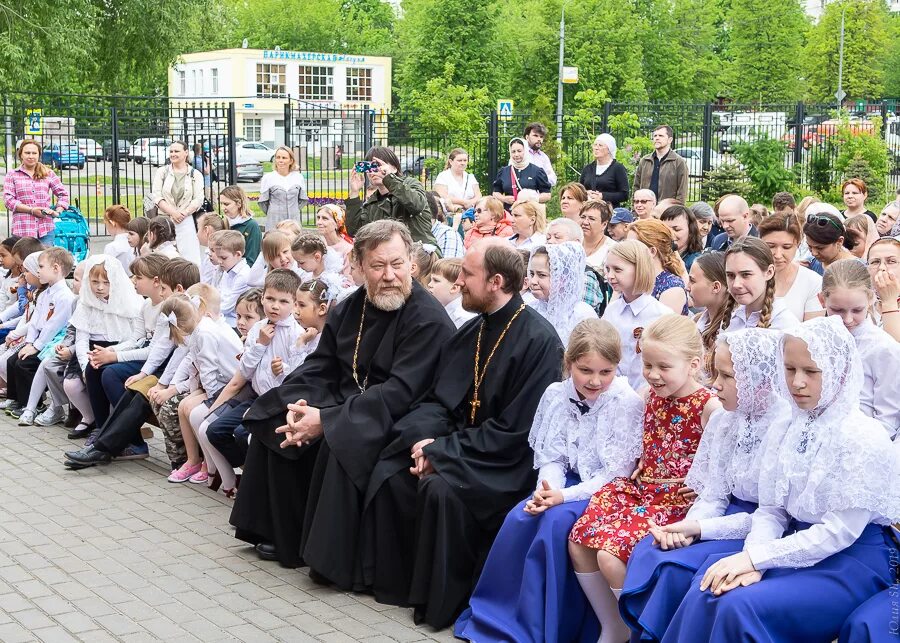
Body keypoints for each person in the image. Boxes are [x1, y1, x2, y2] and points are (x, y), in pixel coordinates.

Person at [356, 240, 563, 629]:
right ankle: (392, 583)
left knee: (440, 491)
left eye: (467, 275)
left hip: (504, 462)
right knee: (390, 466)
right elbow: (440, 399)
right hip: (464, 445)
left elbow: (516, 431)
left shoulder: (540, 341)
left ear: (496, 281)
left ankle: (442, 603)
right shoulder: (475, 329)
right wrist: (422, 441)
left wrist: (443, 453)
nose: (460, 282)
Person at [230, 220, 454, 570]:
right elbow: (322, 364)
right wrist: (298, 403)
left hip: (396, 415)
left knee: (338, 439)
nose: (390, 275)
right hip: (345, 398)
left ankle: (322, 553)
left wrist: (327, 420)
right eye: (378, 266)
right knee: (274, 415)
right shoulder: (353, 305)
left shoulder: (428, 319)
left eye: (397, 264)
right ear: (361, 266)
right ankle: (279, 531)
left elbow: (401, 391)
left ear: (411, 262)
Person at [664, 317, 899, 643]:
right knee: (709, 586)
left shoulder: (862, 436)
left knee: (739, 605)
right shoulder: (786, 425)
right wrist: (752, 560)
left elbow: (839, 532)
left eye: (811, 372)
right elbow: (771, 511)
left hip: (853, 559)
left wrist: (755, 558)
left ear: (839, 372)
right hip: (792, 543)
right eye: (789, 369)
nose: (797, 382)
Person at [455, 319, 644, 643]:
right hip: (564, 484)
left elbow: (615, 473)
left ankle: (552, 628)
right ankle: (505, 617)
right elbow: (552, 457)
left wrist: (563, 496)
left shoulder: (625, 403)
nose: (595, 381)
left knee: (555, 524)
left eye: (605, 372)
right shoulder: (556, 394)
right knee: (521, 517)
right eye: (585, 370)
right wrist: (547, 489)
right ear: (569, 363)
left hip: (604, 490)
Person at [620, 328, 789, 642]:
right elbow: (712, 492)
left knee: (679, 572)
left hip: (760, 529)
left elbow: (772, 515)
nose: (716, 384)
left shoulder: (783, 425)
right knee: (651, 551)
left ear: (758, 378)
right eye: (716, 374)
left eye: (727, 376)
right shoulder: (725, 419)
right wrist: (686, 527)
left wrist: (700, 530)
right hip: (723, 516)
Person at [568, 315, 719, 643]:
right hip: (642, 491)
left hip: (676, 503)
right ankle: (613, 624)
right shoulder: (647, 395)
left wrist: (696, 490)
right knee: (579, 540)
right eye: (647, 364)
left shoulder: (708, 407)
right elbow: (642, 441)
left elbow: (715, 468)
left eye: (663, 366)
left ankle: (640, 632)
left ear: (694, 364)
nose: (652, 375)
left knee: (609, 555)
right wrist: (640, 460)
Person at [64, 259, 200, 470]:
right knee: (128, 387)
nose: (161, 292)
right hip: (164, 370)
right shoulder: (160, 307)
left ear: (178, 289)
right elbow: (156, 347)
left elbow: (176, 355)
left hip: (178, 377)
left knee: (135, 393)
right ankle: (102, 442)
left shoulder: (181, 313)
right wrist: (115, 353)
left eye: (163, 287)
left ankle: (111, 447)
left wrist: (162, 383)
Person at [196, 271, 305, 494]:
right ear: (263, 297)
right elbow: (245, 369)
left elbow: (297, 377)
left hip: (278, 402)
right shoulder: (258, 329)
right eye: (271, 299)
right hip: (257, 397)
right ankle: (248, 471)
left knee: (243, 433)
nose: (275, 306)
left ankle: (256, 482)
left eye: (283, 301)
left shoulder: (297, 333)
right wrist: (260, 344)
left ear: (294, 304)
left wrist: (281, 369)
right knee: (215, 431)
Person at [54, 256, 143, 433]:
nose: (100, 287)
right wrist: (85, 364)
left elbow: (136, 339)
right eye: (95, 282)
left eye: (106, 282)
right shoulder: (86, 303)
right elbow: (81, 339)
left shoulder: (130, 302)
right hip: (92, 352)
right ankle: (97, 423)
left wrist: (111, 353)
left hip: (119, 349)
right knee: (90, 372)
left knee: (105, 375)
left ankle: (112, 427)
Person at [82, 254, 169, 432]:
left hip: (161, 363)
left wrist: (114, 357)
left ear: (156, 281)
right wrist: (108, 351)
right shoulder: (146, 305)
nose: (133, 280)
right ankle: (102, 429)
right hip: (146, 355)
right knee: (94, 367)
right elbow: (135, 339)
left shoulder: (167, 308)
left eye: (138, 277)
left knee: (111, 373)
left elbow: (154, 351)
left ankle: (131, 436)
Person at [820, 259, 900, 438]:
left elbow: (888, 419)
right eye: (837, 310)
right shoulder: (816, 339)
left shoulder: (883, 349)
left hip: (862, 443)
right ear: (821, 299)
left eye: (857, 310)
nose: (848, 319)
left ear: (871, 298)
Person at [600, 240, 673, 389]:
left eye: (618, 270)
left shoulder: (661, 315)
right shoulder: (611, 311)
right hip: (612, 390)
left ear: (639, 269)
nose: (610, 276)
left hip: (646, 390)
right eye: (608, 269)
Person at [346, 147, 436, 247]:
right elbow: (354, 231)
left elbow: (416, 205)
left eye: (378, 166)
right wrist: (354, 192)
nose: (373, 172)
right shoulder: (373, 201)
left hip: (420, 251)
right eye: (369, 167)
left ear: (394, 168)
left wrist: (389, 178)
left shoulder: (410, 184)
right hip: (388, 255)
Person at [720, 237, 799, 333]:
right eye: (731, 275)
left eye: (746, 275)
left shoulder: (785, 326)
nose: (736, 284)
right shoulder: (732, 318)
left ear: (769, 272)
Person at [527, 242, 599, 346]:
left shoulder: (581, 314)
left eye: (542, 275)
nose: (533, 281)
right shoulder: (531, 308)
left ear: (562, 279)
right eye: (532, 274)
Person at [758, 213, 824, 322]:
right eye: (771, 246)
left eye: (786, 247)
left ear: (797, 245)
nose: (778, 255)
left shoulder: (813, 282)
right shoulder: (746, 276)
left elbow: (811, 332)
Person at [3, 140, 69, 244]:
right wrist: (31, 210)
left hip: (45, 230)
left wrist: (58, 211)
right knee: (23, 260)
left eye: (34, 153)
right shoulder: (12, 175)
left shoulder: (48, 173)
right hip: (22, 230)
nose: (31, 156)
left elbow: (63, 194)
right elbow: (8, 201)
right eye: (27, 153)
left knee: (45, 260)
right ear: (21, 154)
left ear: (39, 155)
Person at [149, 141, 204, 264]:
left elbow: (198, 199)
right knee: (163, 257)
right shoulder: (162, 172)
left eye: (176, 151)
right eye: (171, 151)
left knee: (190, 258)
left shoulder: (195, 174)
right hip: (165, 219)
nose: (173, 154)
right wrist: (173, 213)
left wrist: (183, 213)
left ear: (186, 153)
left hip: (186, 220)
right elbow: (157, 196)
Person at [545, 218, 611, 316]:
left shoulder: (585, 276)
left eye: (557, 237)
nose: (550, 242)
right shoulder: (545, 270)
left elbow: (581, 317)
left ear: (576, 243)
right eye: (548, 238)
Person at [628, 218, 689, 315]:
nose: (626, 251)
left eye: (633, 247)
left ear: (652, 251)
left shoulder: (671, 288)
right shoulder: (632, 280)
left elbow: (663, 329)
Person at [687, 251, 729, 380]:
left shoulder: (731, 329)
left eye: (692, 281)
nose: (687, 287)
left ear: (716, 287)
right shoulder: (696, 321)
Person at [633, 125, 689, 202]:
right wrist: (634, 209)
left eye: (661, 136)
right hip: (645, 209)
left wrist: (676, 211)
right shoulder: (645, 161)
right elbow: (636, 187)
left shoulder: (678, 162)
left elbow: (682, 191)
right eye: (655, 136)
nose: (657, 138)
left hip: (667, 211)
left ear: (670, 140)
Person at [493, 138, 552, 210]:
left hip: (530, 213)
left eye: (519, 151)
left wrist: (533, 198)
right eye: (513, 152)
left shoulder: (537, 171)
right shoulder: (504, 171)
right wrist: (504, 199)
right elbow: (496, 193)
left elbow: (547, 195)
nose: (516, 154)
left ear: (526, 151)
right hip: (510, 215)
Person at [258, 146, 308, 228]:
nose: (280, 160)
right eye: (278, 157)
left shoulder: (298, 177)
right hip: (274, 222)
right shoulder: (268, 177)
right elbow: (263, 202)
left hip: (293, 221)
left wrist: (293, 210)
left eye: (284, 158)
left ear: (291, 160)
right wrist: (273, 212)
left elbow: (302, 199)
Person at [579, 134, 629, 207]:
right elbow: (579, 189)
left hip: (609, 211)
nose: (596, 148)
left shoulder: (617, 168)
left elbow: (624, 195)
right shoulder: (588, 168)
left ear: (609, 149)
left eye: (600, 145)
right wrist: (586, 193)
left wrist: (603, 196)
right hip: (588, 210)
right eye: (595, 145)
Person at [214, 230, 251, 327]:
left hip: (234, 322)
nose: (219, 261)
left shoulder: (243, 275)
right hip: (221, 317)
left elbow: (228, 307)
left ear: (238, 254)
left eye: (223, 258)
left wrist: (208, 311)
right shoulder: (227, 268)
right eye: (218, 257)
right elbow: (216, 292)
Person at [219, 186, 261, 266]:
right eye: (221, 204)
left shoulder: (251, 226)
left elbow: (252, 259)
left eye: (226, 204)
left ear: (239, 203)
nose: (223, 208)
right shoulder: (223, 222)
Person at [867, 237, 900, 341]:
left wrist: (889, 301)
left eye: (891, 261)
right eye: (875, 262)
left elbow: (893, 351)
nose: (882, 267)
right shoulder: (861, 301)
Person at [427, 258, 475, 329]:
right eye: (431, 280)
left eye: (436, 280)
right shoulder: (442, 309)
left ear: (454, 288)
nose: (429, 284)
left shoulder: (462, 318)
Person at [660, 205, 704, 272]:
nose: (670, 234)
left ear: (691, 231)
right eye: (665, 229)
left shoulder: (696, 263)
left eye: (676, 229)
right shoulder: (656, 257)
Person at [426, 192, 465, 259]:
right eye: (436, 203)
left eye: (439, 203)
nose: (437, 206)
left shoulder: (449, 223)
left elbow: (460, 211)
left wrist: (452, 208)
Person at [580, 200, 616, 271]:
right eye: (583, 217)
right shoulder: (573, 242)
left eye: (591, 219)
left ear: (604, 224)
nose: (585, 222)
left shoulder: (612, 249)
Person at [521, 122, 557, 186]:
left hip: (540, 194)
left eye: (541, 137)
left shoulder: (544, 157)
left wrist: (538, 179)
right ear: (527, 137)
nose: (539, 139)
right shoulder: (519, 154)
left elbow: (553, 179)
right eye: (535, 135)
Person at [102, 205, 134, 275]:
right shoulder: (135, 242)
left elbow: (107, 272)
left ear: (112, 223)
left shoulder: (111, 247)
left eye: (106, 223)